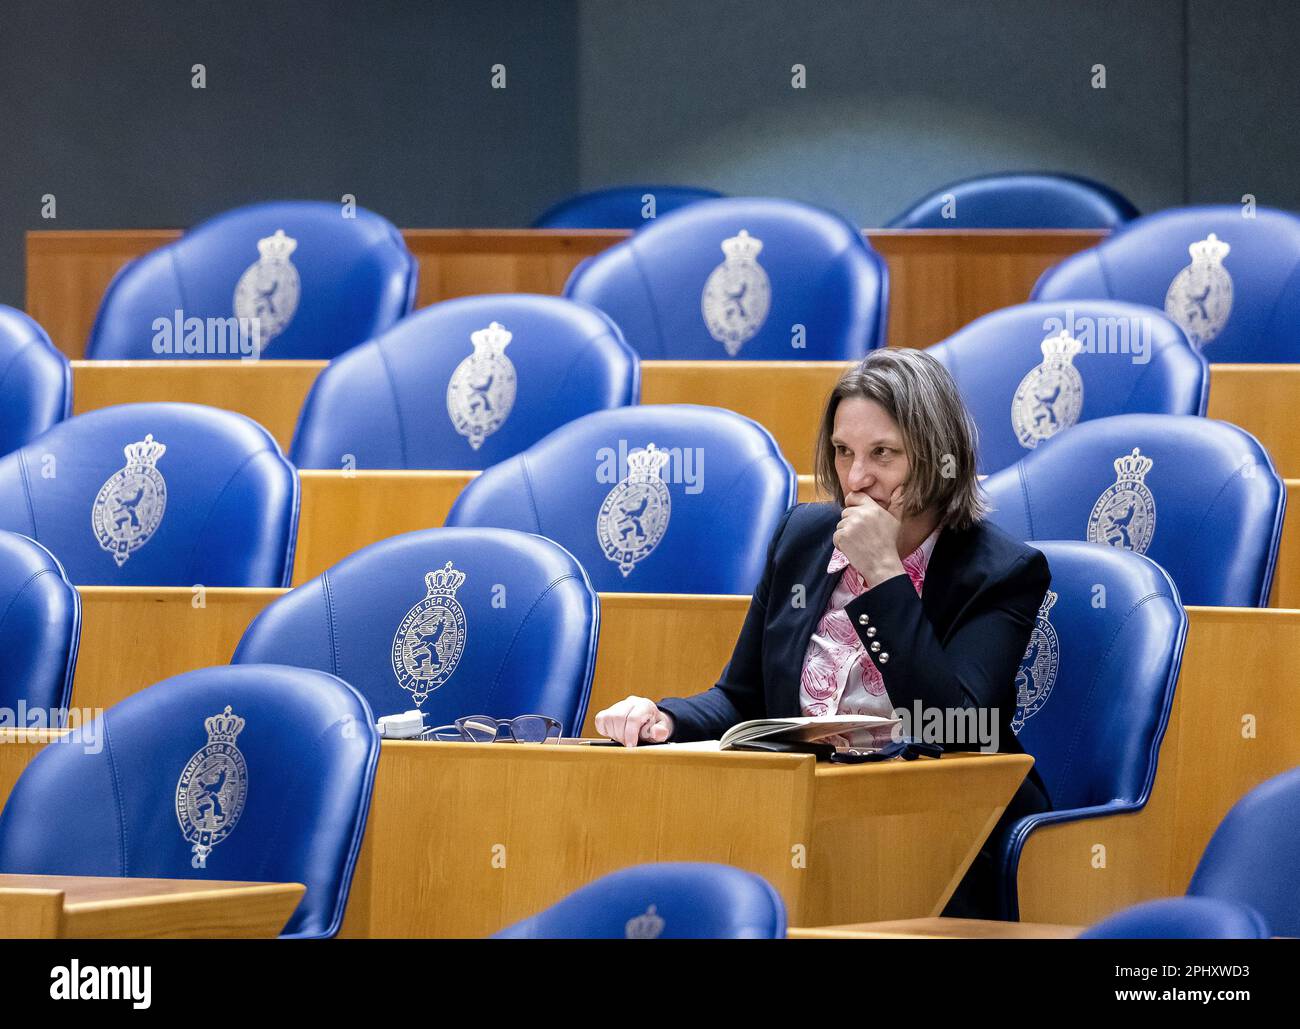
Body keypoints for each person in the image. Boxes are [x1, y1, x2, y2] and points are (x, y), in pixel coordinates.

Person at [594, 348, 1052, 917]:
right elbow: (743, 699)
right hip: (806, 823)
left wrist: (885, 575)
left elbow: (955, 726)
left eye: (883, 454)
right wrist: (666, 718)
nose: (857, 479)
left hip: (944, 842)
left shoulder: (1001, 572)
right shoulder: (802, 538)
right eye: (842, 452)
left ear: (940, 458)